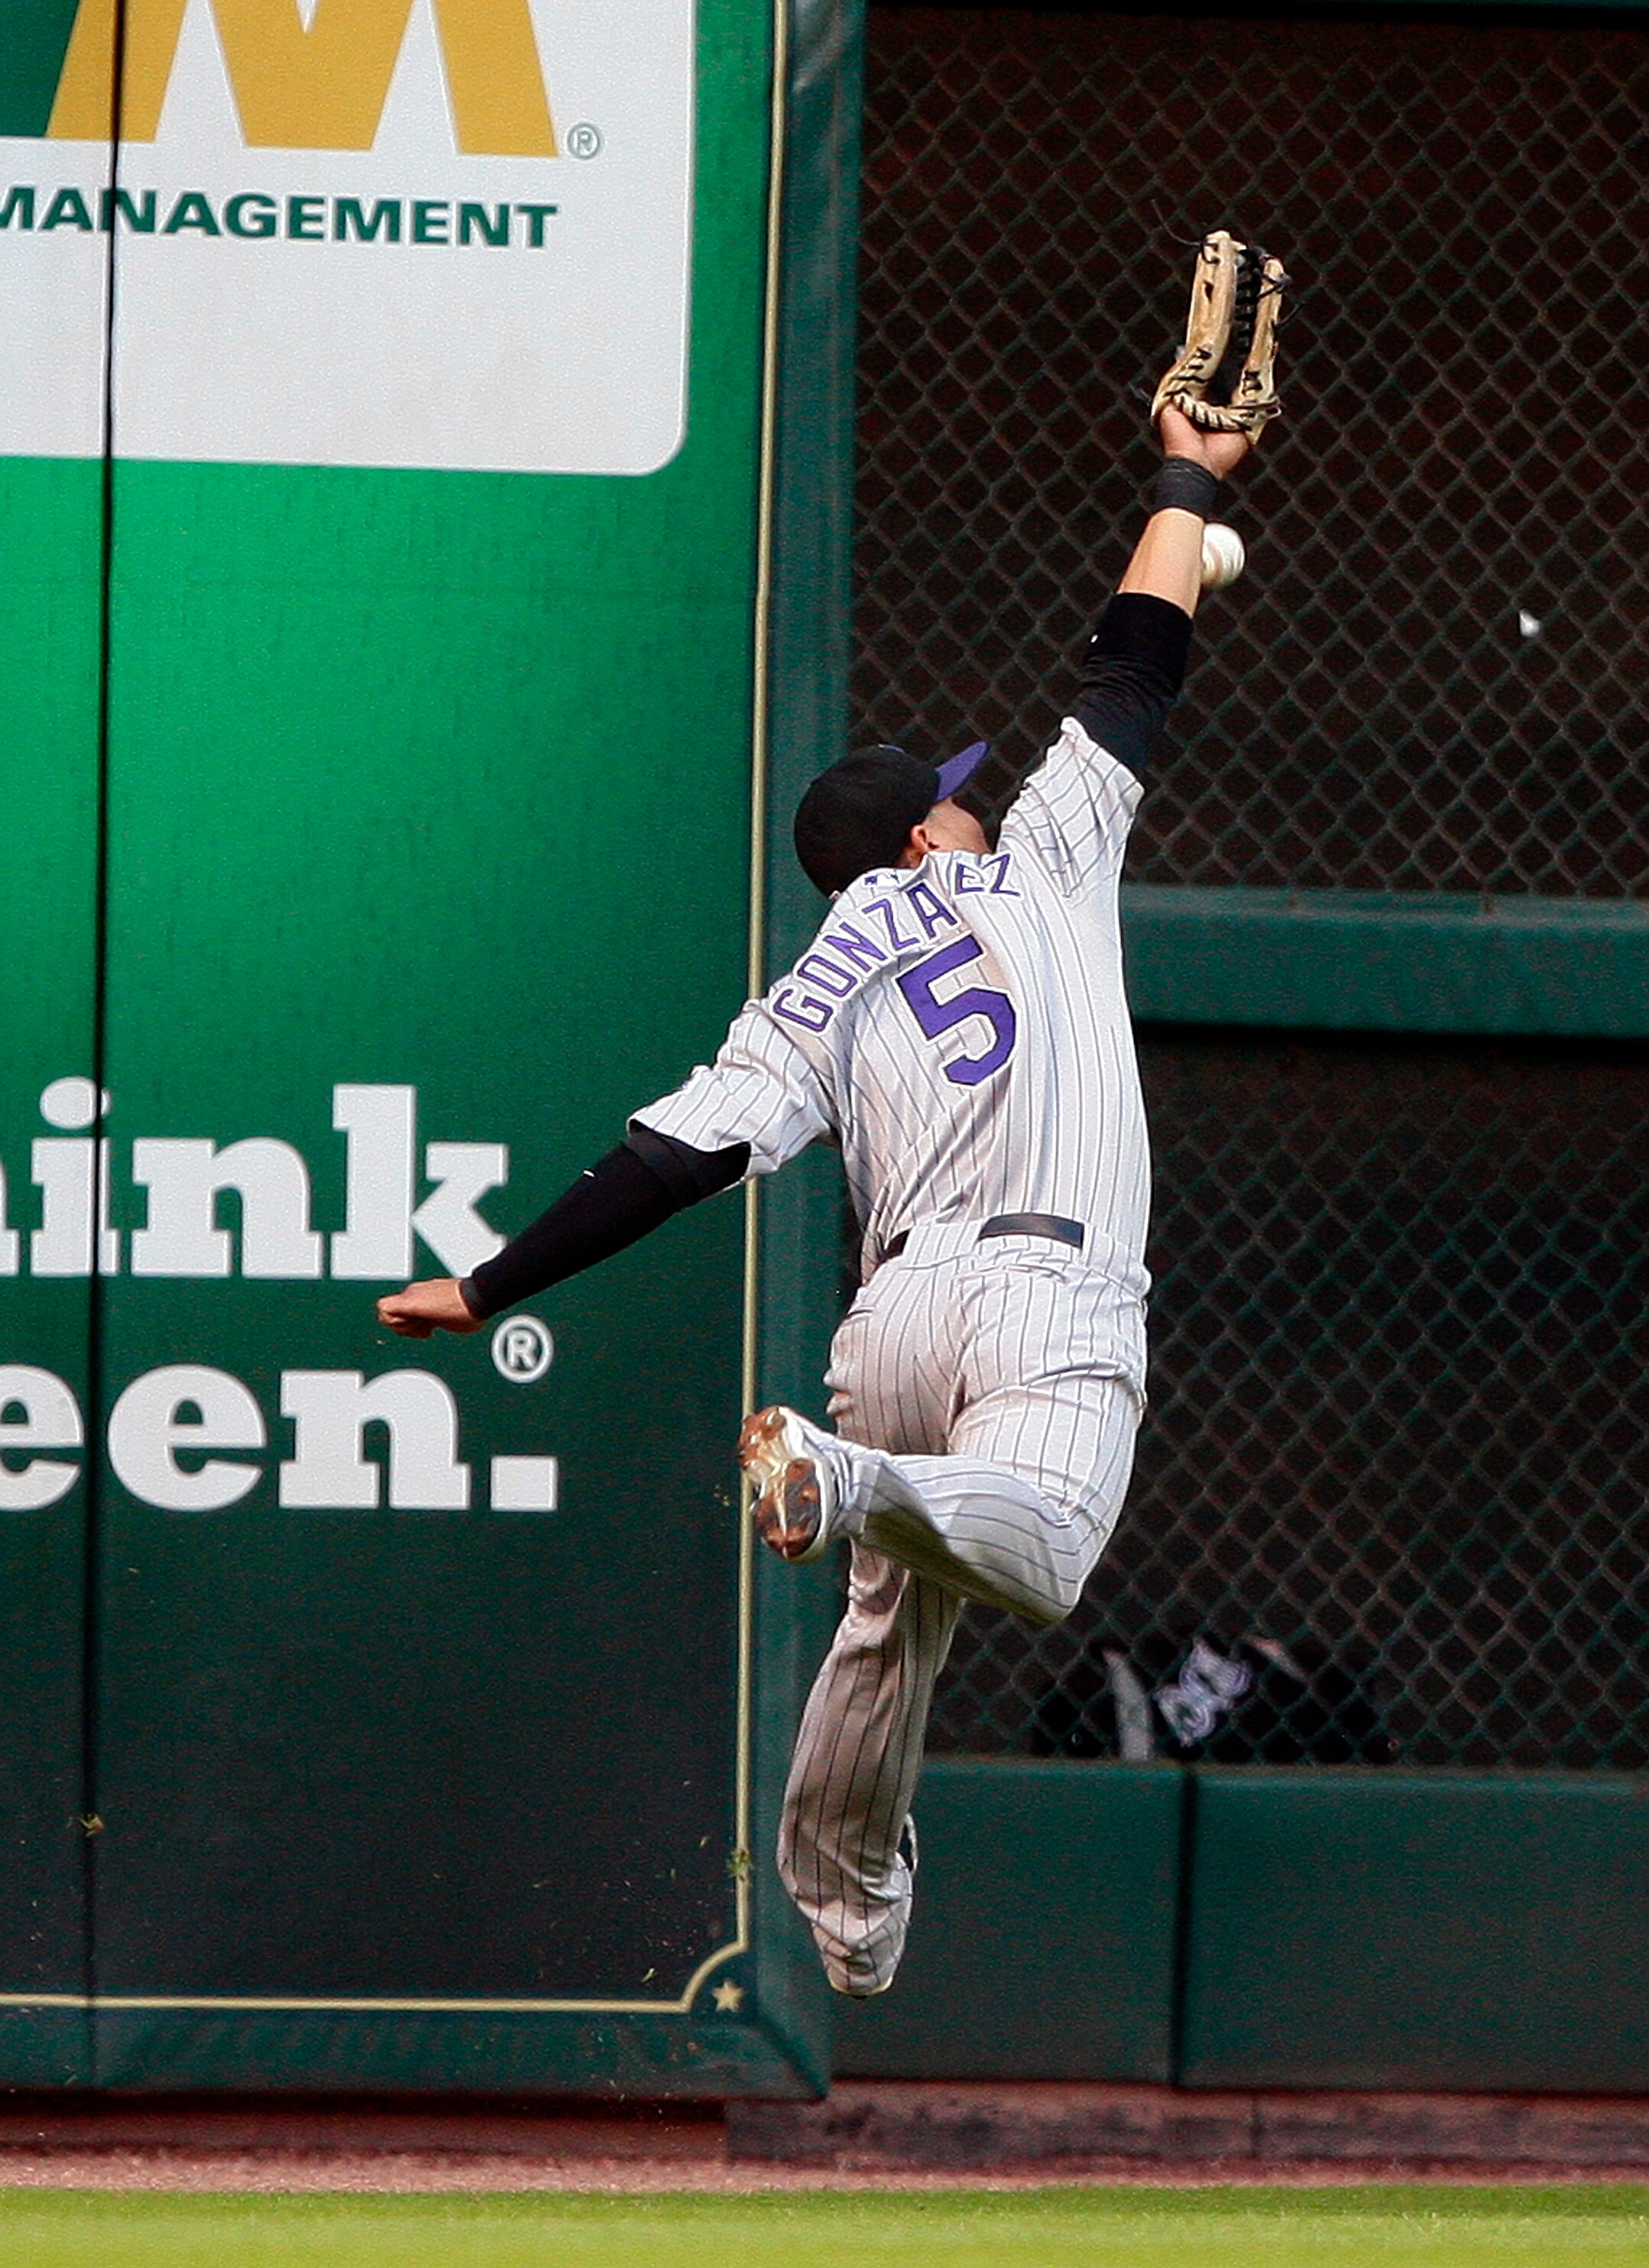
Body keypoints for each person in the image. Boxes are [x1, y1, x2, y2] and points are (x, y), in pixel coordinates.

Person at [377, 403, 1256, 1997]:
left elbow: (677, 1158)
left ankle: (848, 1919)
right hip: (1044, 1291)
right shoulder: (1038, 860)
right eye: (953, 793)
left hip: (898, 1315)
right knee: (1046, 1549)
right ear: (923, 833)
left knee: (885, 1632)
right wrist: (1187, 477)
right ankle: (844, 1480)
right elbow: (1132, 665)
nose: (973, 799)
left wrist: (493, 1284)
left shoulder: (806, 988)